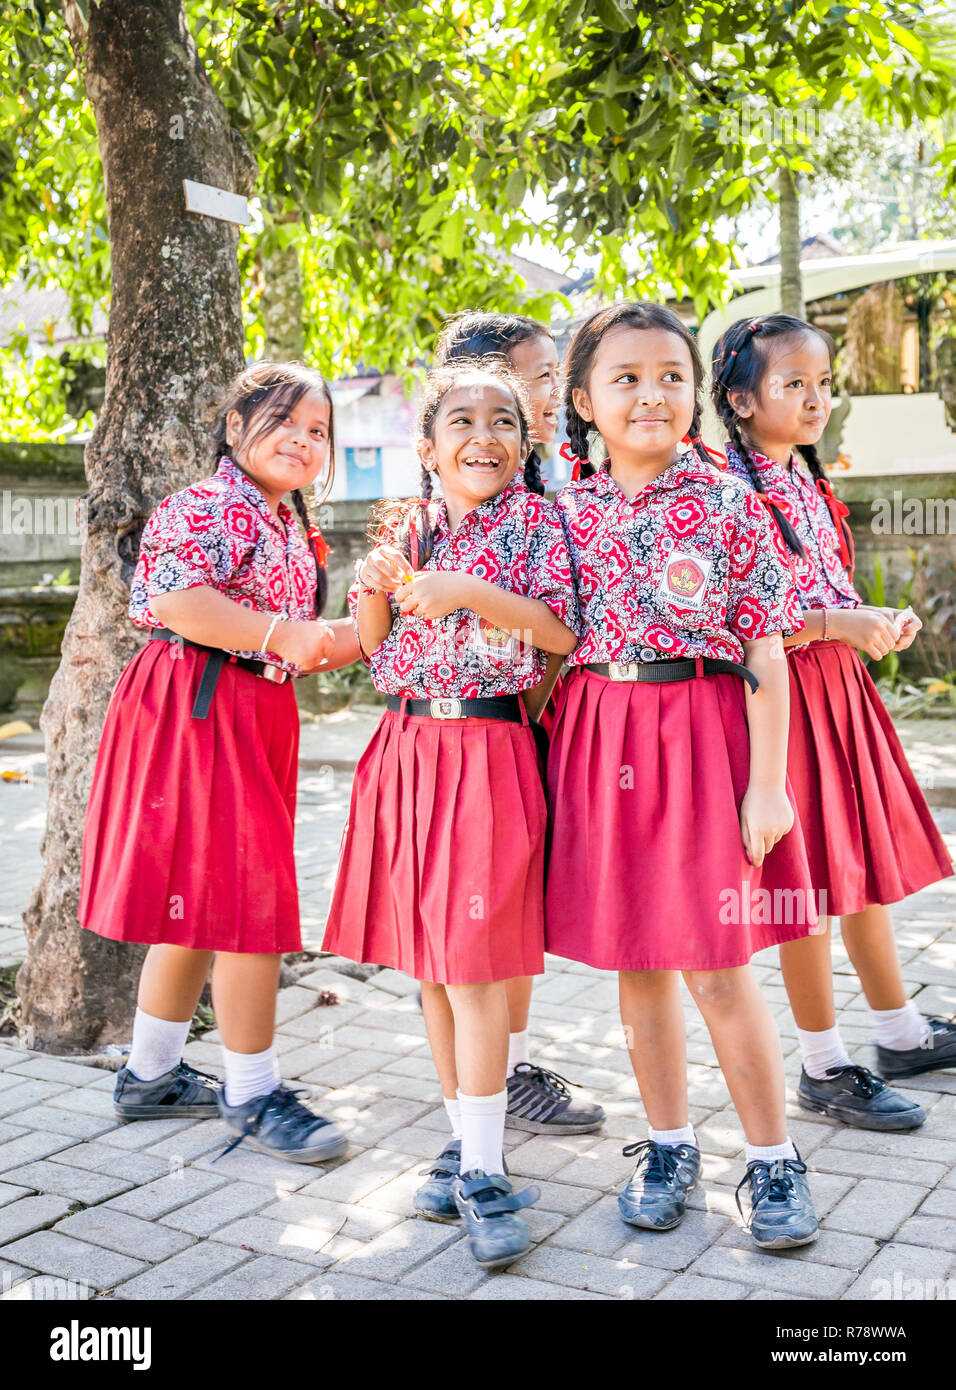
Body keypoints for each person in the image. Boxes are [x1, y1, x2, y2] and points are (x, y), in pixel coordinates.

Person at [545, 301, 822, 1251]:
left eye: (672, 375)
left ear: (698, 393)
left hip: (706, 734)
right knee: (639, 961)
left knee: (717, 963)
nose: (653, 394)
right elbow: (545, 645)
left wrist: (769, 783)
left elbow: (770, 650)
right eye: (625, 378)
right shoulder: (561, 513)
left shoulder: (728, 500)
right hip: (599, 738)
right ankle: (667, 1144)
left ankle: (774, 1157)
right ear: (582, 399)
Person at [322, 360, 580, 1267]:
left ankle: (482, 1168)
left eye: (503, 421)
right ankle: (466, 1138)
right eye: (461, 421)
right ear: (425, 446)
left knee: (471, 968)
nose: (484, 436)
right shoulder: (405, 527)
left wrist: (468, 591)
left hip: (487, 748)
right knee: (430, 969)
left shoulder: (538, 523)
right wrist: (373, 587)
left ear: (527, 440)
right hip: (405, 752)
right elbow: (373, 648)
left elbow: (561, 633)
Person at [80, 361, 358, 1163]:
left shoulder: (285, 522)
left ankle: (150, 1075)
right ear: (235, 427)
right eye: (285, 423)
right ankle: (253, 1090)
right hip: (198, 703)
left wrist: (383, 621)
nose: (304, 441)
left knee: (202, 903)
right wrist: (277, 636)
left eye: (318, 431)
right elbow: (176, 601)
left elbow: (306, 643)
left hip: (255, 706)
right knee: (247, 900)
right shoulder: (204, 505)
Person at [712, 313, 956, 1129]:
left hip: (838, 695)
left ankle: (900, 1031)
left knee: (859, 871)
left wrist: (870, 620)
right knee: (803, 888)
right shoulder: (728, 491)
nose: (816, 399)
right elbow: (742, 624)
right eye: (794, 385)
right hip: (782, 704)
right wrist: (836, 626)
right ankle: (824, 1064)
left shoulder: (803, 479)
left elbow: (822, 597)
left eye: (824, 384)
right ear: (741, 401)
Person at [431, 311, 604, 1138]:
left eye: (546, 381)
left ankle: (510, 1063)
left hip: (546, 717)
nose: (546, 395)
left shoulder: (552, 490)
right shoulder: (453, 491)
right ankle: (482, 1092)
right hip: (488, 730)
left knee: (516, 903)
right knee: (476, 912)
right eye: (534, 378)